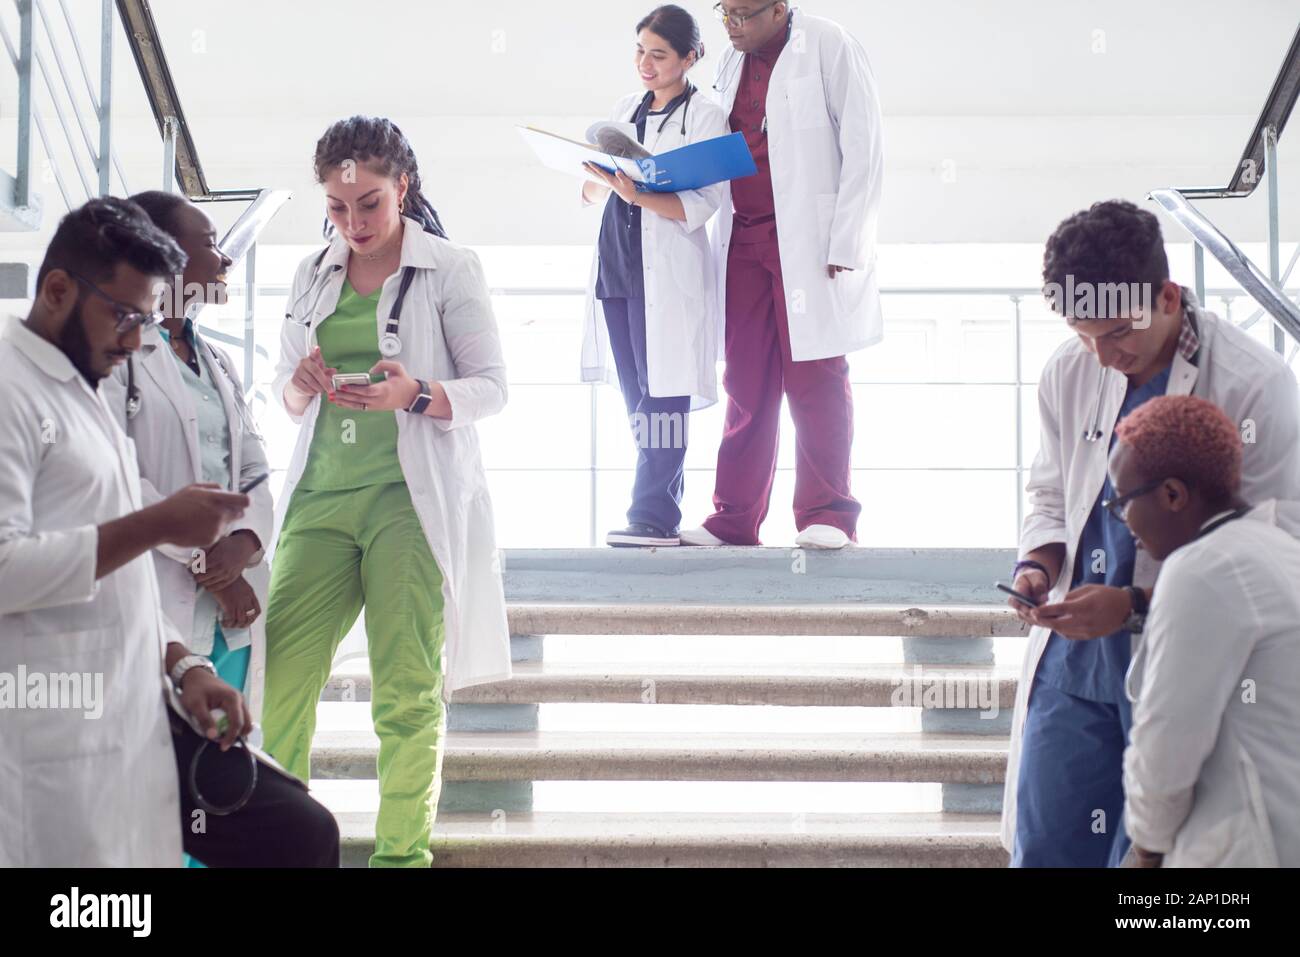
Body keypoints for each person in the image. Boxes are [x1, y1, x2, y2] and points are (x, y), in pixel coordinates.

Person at [0, 197, 338, 867]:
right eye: (125, 315)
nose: (134, 340)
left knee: (299, 830)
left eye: (145, 318)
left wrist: (183, 664)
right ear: (58, 290)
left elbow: (118, 572)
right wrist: (161, 522)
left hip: (141, 697)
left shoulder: (84, 391)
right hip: (55, 721)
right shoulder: (11, 389)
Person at [1002, 200, 1300, 867]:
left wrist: (1134, 605)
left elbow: (1276, 548)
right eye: (1083, 335)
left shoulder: (1258, 386)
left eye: (1115, 333)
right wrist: (1037, 567)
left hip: (1188, 653)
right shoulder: (1069, 370)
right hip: (1075, 665)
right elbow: (1050, 490)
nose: (1103, 357)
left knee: (1152, 848)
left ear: (1168, 295)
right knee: (1048, 846)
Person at [264, 116, 511, 867]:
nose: (353, 223)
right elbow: (282, 389)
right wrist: (300, 385)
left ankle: (401, 858)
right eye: (338, 209)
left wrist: (415, 392)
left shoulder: (450, 268)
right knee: (277, 680)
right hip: (319, 499)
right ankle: (277, 850)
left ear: (402, 186)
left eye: (369, 203)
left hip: (410, 497)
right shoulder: (312, 272)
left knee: (404, 693)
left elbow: (492, 388)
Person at [100, 191, 275, 867]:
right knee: (157, 801)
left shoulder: (218, 361)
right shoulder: (121, 352)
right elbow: (111, 478)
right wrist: (208, 557)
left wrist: (244, 545)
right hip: (155, 598)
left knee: (221, 792)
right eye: (208, 240)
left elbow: (257, 469)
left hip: (229, 618)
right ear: (166, 257)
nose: (224, 253)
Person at [679, 0, 884, 550]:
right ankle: (734, 519)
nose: (733, 25)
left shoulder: (828, 44)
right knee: (745, 381)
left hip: (811, 245)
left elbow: (865, 147)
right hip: (744, 237)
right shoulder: (729, 61)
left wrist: (848, 239)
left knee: (816, 377)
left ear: (780, 7)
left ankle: (829, 514)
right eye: (725, 13)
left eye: (744, 15)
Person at [1109, 395, 1300, 867]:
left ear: (1172, 495)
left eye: (1122, 503)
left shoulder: (1203, 569)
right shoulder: (1276, 549)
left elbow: (1168, 740)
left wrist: (1145, 851)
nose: (1126, 524)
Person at [579, 4, 729, 548]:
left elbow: (702, 203)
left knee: (664, 396)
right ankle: (653, 508)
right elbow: (591, 193)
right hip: (618, 264)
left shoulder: (707, 116)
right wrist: (599, 176)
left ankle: (654, 516)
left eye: (659, 54)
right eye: (640, 50)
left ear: (689, 58)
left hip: (666, 275)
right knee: (635, 396)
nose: (645, 62)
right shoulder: (625, 108)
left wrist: (639, 191)